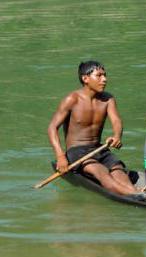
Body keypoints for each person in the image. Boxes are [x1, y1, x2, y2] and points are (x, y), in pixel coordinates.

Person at [47, 61, 138, 195]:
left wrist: (117, 136)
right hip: (77, 152)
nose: (104, 79)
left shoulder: (108, 99)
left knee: (118, 170)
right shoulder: (72, 99)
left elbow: (116, 120)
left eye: (105, 75)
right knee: (102, 172)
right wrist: (60, 156)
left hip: (99, 148)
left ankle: (135, 192)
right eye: (99, 75)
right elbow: (52, 128)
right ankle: (136, 195)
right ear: (85, 79)